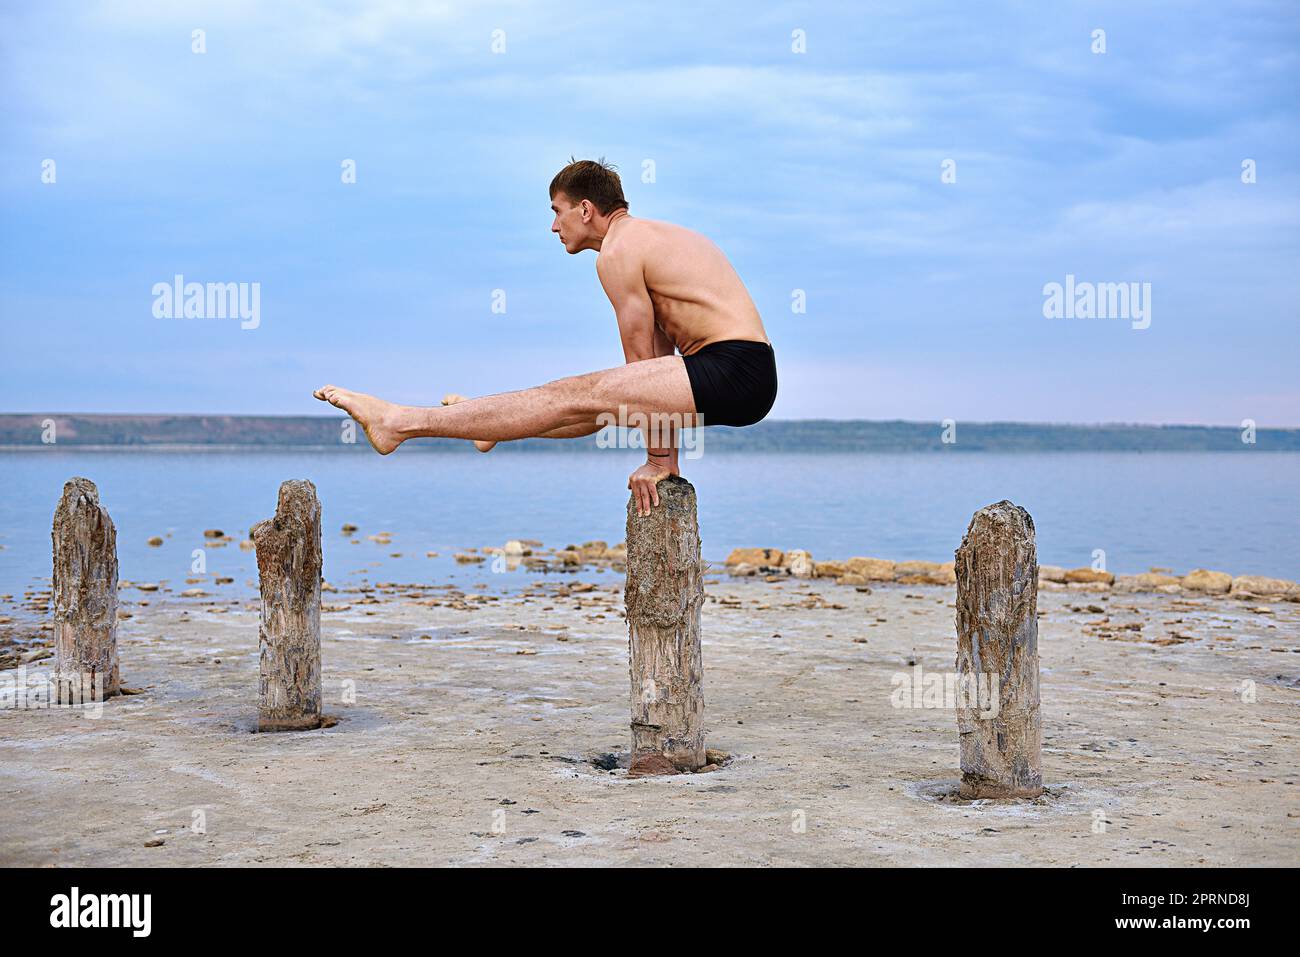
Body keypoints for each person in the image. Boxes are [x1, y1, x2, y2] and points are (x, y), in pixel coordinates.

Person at [315, 158, 777, 516]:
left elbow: (641, 363)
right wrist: (663, 451)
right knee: (596, 407)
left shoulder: (618, 251)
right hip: (744, 375)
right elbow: (659, 361)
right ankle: (485, 425)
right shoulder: (652, 240)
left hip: (734, 367)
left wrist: (659, 462)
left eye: (557, 212)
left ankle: (398, 422)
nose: (554, 226)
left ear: (585, 209)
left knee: (578, 393)